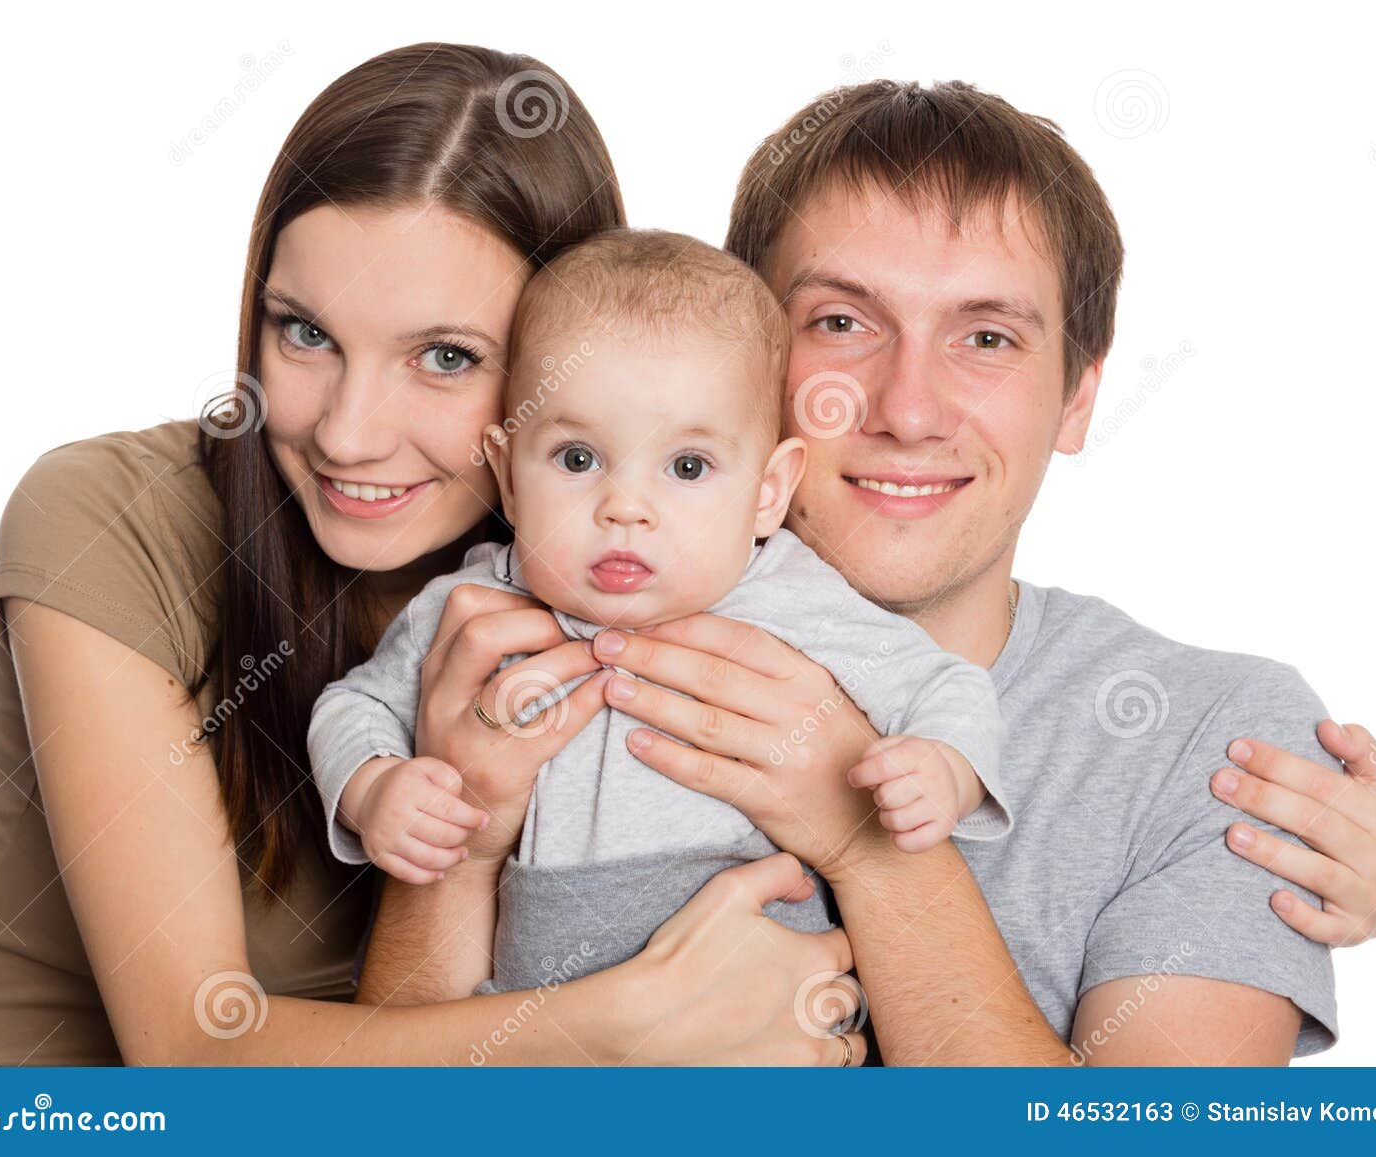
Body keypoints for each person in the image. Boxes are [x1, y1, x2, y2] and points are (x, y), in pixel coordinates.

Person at [361, 79, 1376, 1064]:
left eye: (987, 336)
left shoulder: (1219, 742)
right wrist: (459, 846)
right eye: (841, 323)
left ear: (1079, 396)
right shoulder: (521, 628)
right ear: (749, 363)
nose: (906, 408)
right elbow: (366, 1127)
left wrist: (864, 839)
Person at [0, 44, 863, 1068]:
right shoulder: (107, 514)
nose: (349, 434)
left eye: (444, 357)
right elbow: (188, 1052)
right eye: (303, 332)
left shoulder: (630, 557)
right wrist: (629, 1022)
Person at [307, 229, 1008, 995]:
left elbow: (944, 684)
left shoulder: (793, 598)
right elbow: (351, 704)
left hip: (763, 1025)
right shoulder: (473, 609)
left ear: (769, 489)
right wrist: (375, 787)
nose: (626, 508)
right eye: (578, 459)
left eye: (688, 466)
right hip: (534, 1027)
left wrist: (943, 765)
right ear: (508, 474)